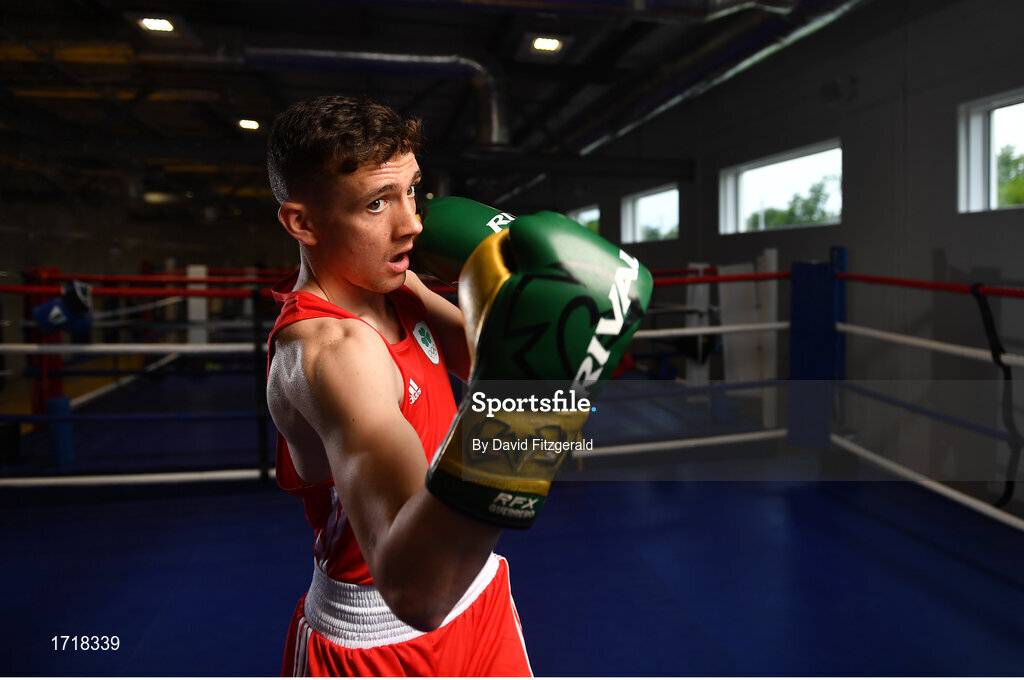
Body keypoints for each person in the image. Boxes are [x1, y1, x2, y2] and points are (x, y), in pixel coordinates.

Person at [265, 95, 532, 677]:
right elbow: (417, 589)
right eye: (377, 202)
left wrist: (520, 294)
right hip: (384, 636)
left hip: (476, 588)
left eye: (412, 190)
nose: (411, 222)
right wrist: (535, 423)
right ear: (302, 222)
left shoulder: (399, 283)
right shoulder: (332, 352)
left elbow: (495, 366)